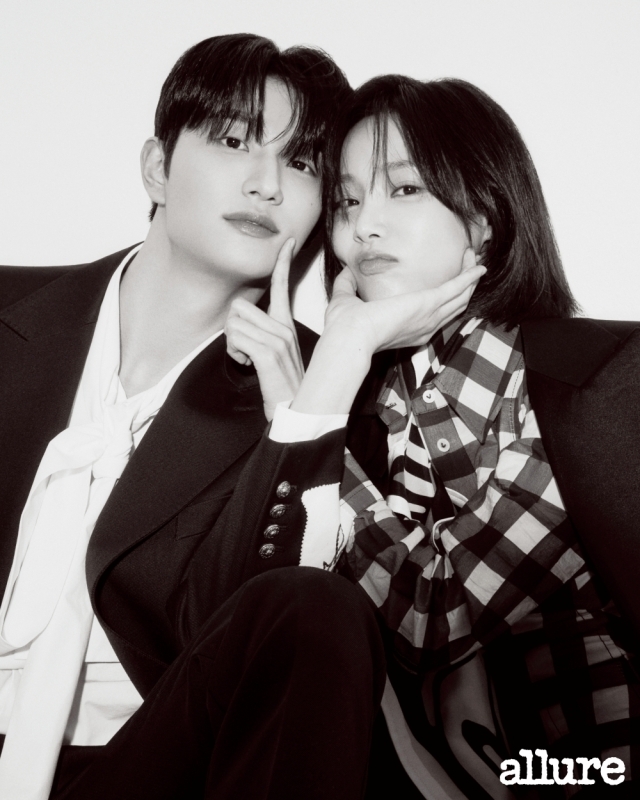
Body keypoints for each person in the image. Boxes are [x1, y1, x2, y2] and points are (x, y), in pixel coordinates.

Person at [0, 34, 457, 800]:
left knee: (312, 606)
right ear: (157, 167)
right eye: (235, 141)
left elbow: (267, 649)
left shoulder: (333, 398)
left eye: (301, 163)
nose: (266, 185)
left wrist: (311, 403)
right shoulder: (12, 317)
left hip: (144, 768)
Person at [226, 75, 640, 797]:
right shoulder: (359, 406)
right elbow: (266, 627)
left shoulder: (594, 383)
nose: (364, 225)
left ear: (484, 217)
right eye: (347, 201)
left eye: (405, 189)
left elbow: (435, 616)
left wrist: (313, 416)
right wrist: (320, 395)